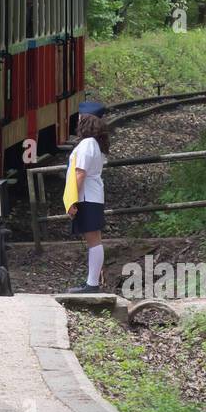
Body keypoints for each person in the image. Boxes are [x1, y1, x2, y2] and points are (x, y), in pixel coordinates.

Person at [65, 113, 110, 294]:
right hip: (93, 196)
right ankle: (92, 283)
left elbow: (80, 173)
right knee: (95, 240)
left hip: (86, 197)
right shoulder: (95, 145)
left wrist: (72, 199)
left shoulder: (86, 144)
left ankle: (92, 284)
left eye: (79, 119)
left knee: (93, 240)